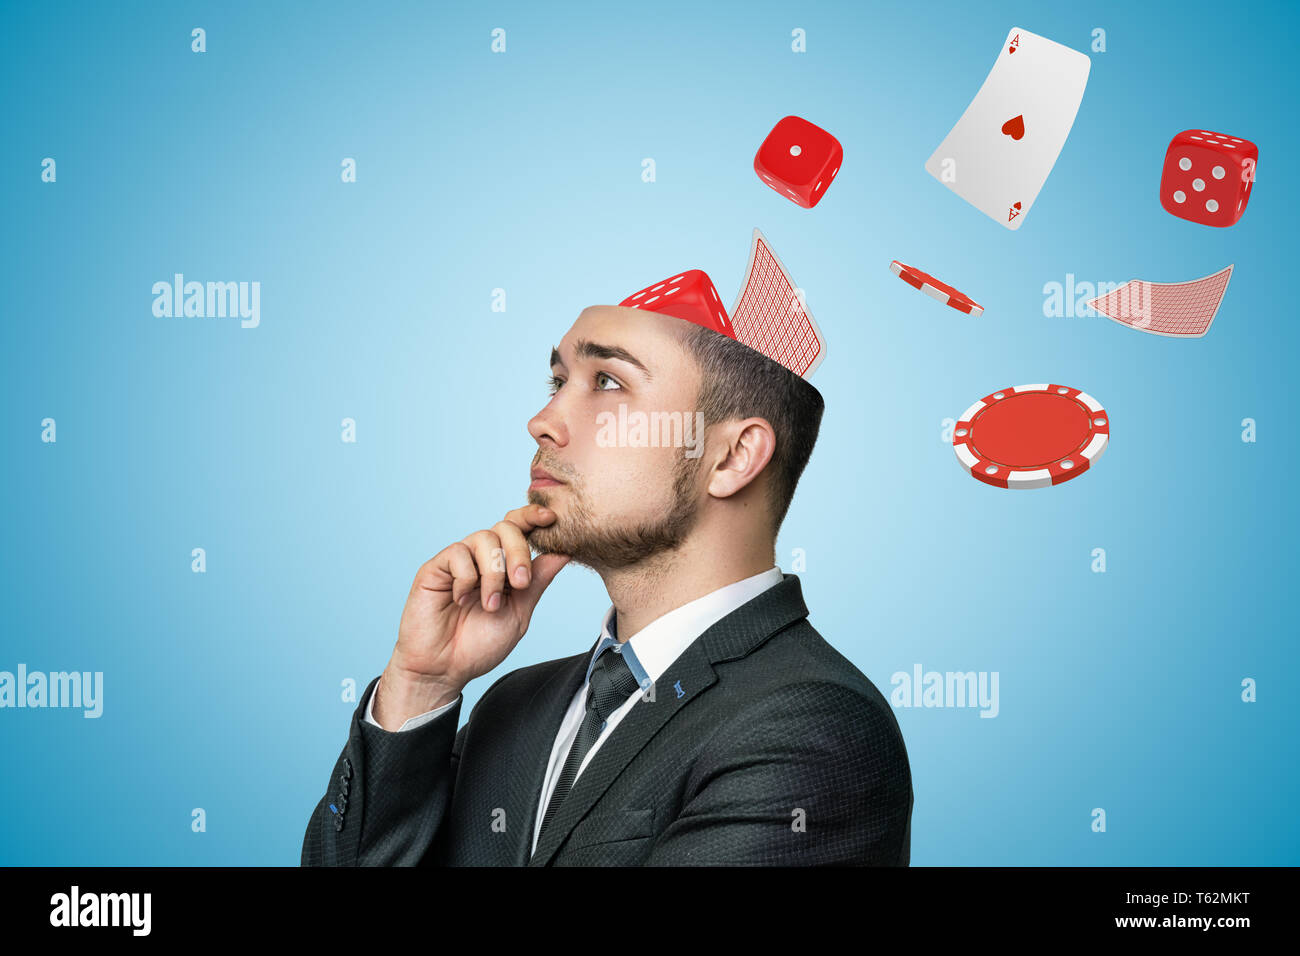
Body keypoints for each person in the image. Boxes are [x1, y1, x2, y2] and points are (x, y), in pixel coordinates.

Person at [300, 296, 913, 866]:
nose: (542, 422)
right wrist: (420, 687)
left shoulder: (815, 725)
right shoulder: (513, 706)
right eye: (558, 382)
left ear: (732, 457)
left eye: (608, 383)